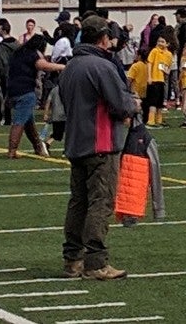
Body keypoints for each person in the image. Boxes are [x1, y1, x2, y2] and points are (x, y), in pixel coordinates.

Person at [59, 15, 140, 280]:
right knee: (100, 202)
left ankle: (73, 259)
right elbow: (121, 105)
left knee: (78, 202)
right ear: (104, 38)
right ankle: (96, 262)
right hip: (101, 144)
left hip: (76, 142)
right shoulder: (102, 67)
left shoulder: (71, 66)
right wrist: (134, 103)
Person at [7, 34, 66, 158]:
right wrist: (63, 67)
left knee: (28, 122)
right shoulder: (33, 54)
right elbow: (43, 65)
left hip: (13, 89)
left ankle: (38, 147)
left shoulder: (19, 53)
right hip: (26, 90)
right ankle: (12, 150)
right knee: (19, 121)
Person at [146, 35, 173, 128]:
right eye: (159, 41)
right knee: (153, 101)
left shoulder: (169, 54)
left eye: (162, 41)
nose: (160, 43)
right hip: (154, 79)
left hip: (162, 80)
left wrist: (166, 71)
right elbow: (150, 63)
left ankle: (159, 120)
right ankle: (151, 120)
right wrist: (149, 76)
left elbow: (168, 68)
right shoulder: (154, 51)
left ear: (167, 44)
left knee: (160, 103)